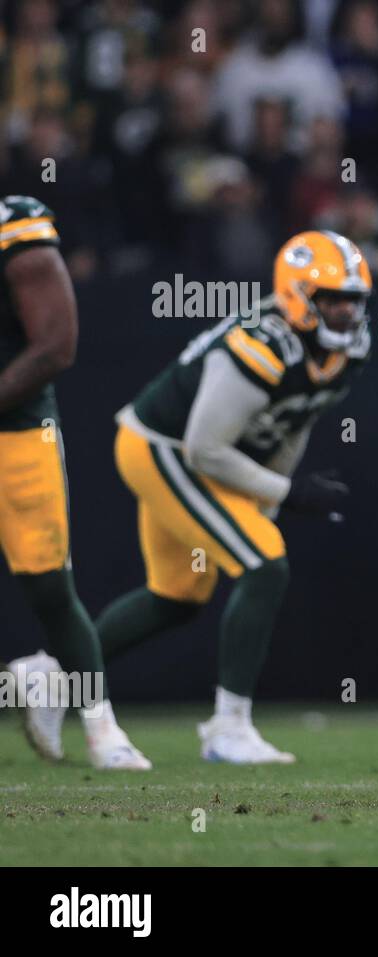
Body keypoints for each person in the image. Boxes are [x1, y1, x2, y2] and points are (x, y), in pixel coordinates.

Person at [89, 231, 370, 764]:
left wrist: (271, 494)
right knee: (265, 564)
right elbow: (204, 449)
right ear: (297, 294)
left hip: (203, 456)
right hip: (164, 448)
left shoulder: (348, 350)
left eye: (352, 300)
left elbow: (294, 422)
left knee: (177, 594)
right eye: (331, 298)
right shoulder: (260, 344)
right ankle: (228, 727)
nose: (343, 312)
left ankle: (54, 676)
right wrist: (287, 494)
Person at [0, 195, 149, 770]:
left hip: (14, 430)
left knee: (49, 590)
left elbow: (56, 345)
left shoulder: (17, 229)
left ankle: (99, 724)